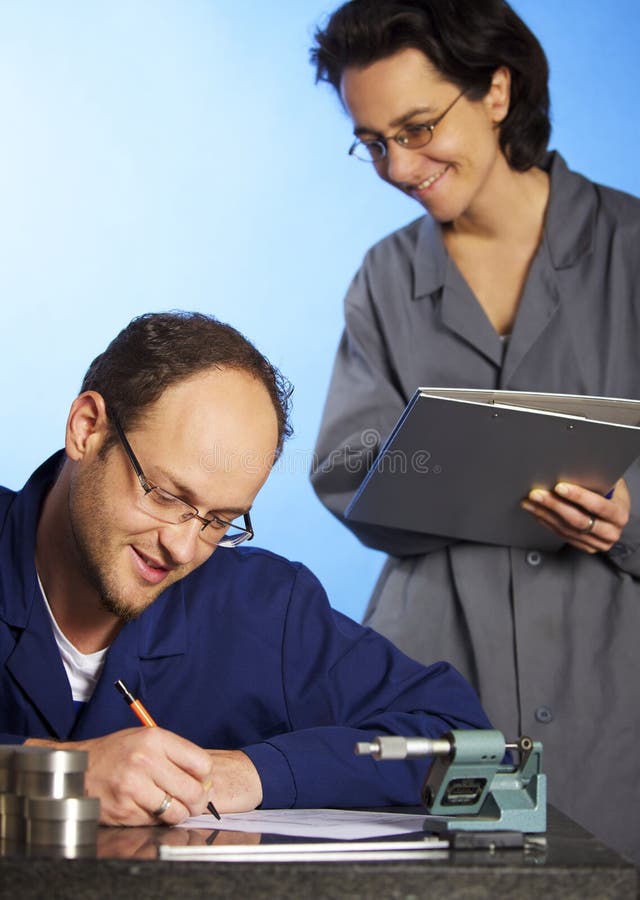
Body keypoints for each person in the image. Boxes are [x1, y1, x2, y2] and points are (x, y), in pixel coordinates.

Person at [309, 0, 640, 863]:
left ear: (497, 89)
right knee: (477, 878)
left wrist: (630, 514)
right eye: (374, 141)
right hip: (447, 678)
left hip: (615, 683)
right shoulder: (384, 278)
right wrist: (444, 464)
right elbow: (346, 465)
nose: (399, 166)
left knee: (603, 871)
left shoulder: (634, 250)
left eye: (417, 128)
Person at [0, 311, 490, 827]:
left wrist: (256, 773)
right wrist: (54, 773)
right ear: (88, 429)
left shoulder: (265, 608)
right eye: (167, 496)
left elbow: (465, 740)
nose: (183, 548)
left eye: (220, 521)